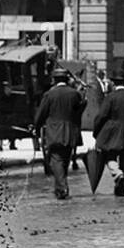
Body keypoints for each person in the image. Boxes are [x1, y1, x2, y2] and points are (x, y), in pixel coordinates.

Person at [31, 67, 85, 200]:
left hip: (54, 131)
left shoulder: (49, 94)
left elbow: (41, 114)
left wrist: (35, 127)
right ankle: (59, 188)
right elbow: (79, 110)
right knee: (64, 159)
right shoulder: (74, 94)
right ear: (67, 79)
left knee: (56, 159)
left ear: (54, 80)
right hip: (70, 131)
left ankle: (62, 187)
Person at [93, 76, 124, 196]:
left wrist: (97, 133)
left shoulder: (110, 97)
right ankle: (121, 189)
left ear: (114, 84)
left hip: (112, 133)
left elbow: (101, 116)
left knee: (108, 156)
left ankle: (116, 172)